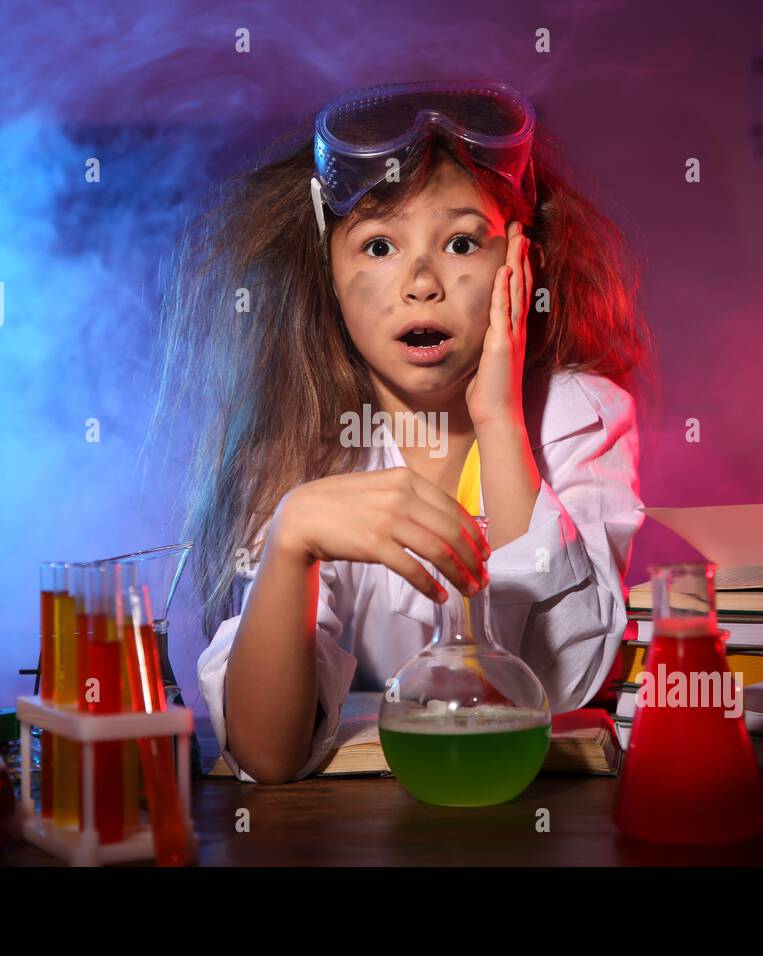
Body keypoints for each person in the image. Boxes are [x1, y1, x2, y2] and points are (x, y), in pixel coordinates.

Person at [151, 80, 652, 783]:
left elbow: (552, 689)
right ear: (327, 267)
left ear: (517, 260)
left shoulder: (578, 413)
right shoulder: (300, 443)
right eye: (380, 245)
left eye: (460, 242)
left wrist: (500, 422)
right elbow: (265, 754)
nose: (421, 282)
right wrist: (292, 540)